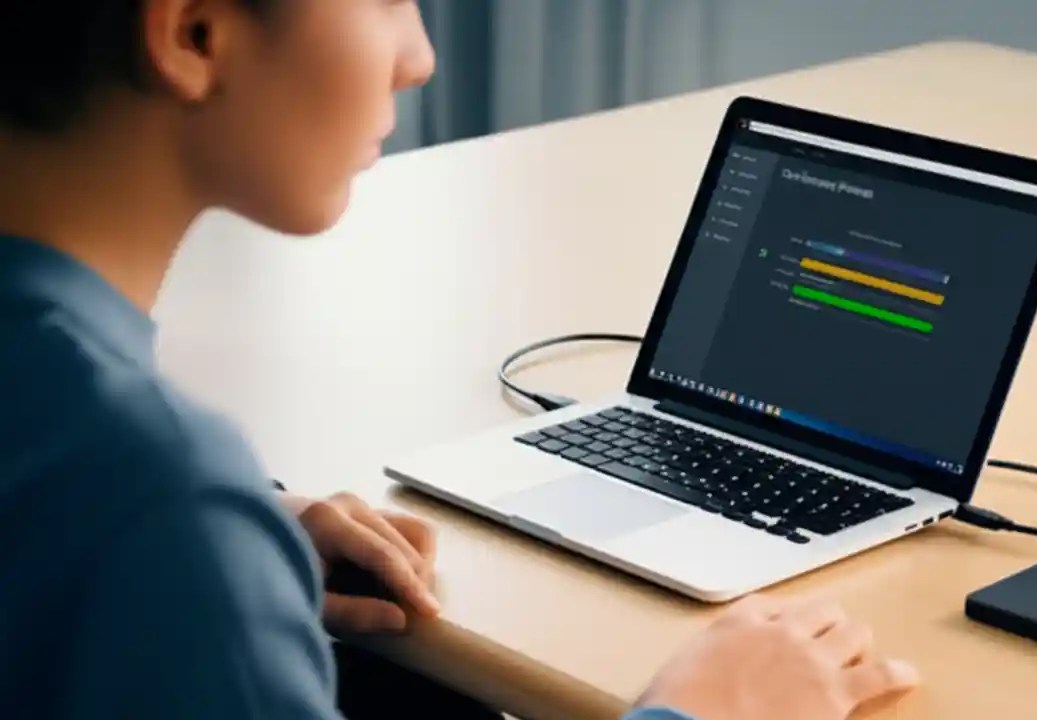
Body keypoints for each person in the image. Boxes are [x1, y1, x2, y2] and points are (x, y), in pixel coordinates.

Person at [0, 2, 920, 719]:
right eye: (390, 0)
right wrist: (702, 710)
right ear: (194, 32)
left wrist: (243, 542)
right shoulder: (154, 501)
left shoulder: (106, 470)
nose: (420, 58)